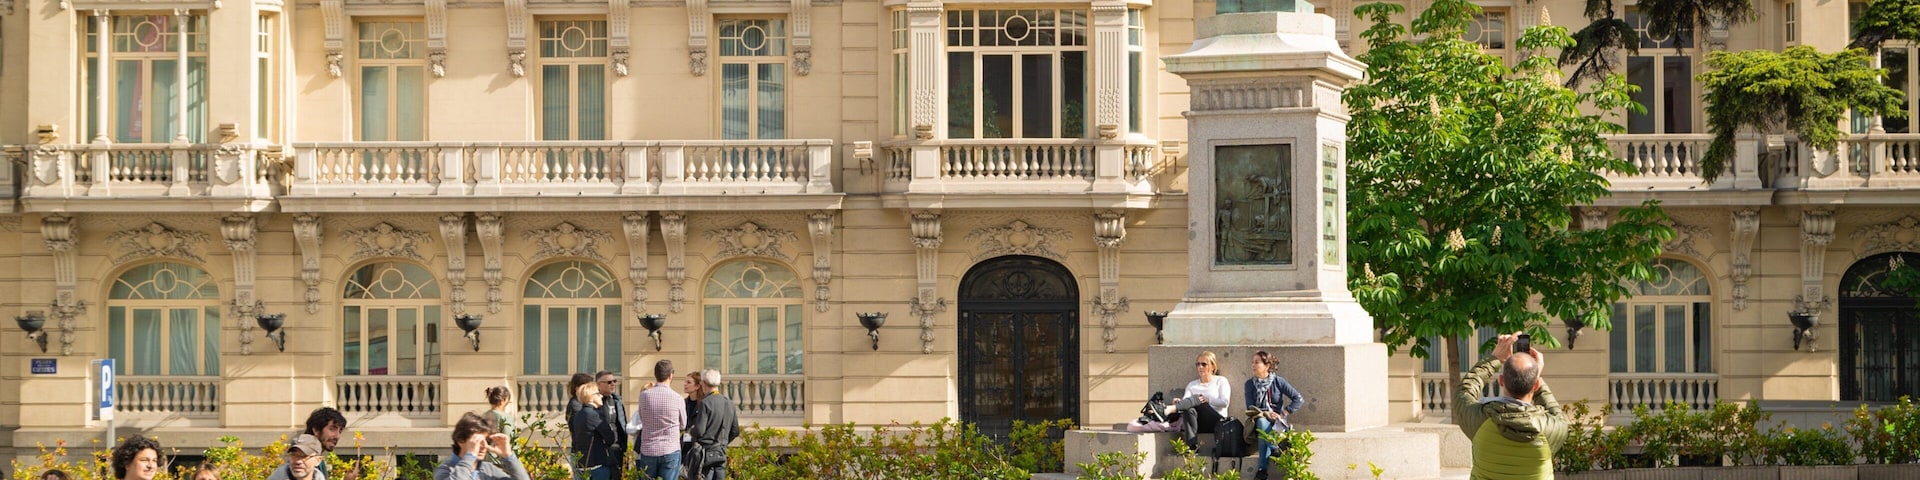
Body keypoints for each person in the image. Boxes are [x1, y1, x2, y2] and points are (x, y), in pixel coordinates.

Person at [1454, 333, 1568, 480]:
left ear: (1501, 381)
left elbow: (1463, 392)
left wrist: (1495, 358)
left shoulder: (1479, 420)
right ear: (1536, 385)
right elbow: (1556, 413)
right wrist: (1535, 375)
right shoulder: (1549, 429)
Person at [1244, 350, 1305, 480]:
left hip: (1277, 422)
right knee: (1261, 421)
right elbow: (1250, 407)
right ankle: (1275, 448)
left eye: (1257, 362)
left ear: (1267, 366)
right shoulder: (1249, 384)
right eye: (1252, 362)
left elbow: (1298, 399)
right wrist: (1266, 413)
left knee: (1263, 435)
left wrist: (1283, 413)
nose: (1253, 365)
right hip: (1259, 419)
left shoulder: (1278, 381)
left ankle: (1262, 470)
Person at [1163, 351, 1232, 452]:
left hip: (1217, 422)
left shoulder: (1221, 381)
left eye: (1204, 364)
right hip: (1198, 423)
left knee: (1199, 400)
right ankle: (1192, 447)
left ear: (1213, 366)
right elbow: (1186, 401)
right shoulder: (1192, 385)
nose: (1200, 367)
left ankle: (1169, 409)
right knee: (1189, 408)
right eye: (1198, 364)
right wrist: (1179, 402)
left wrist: (1209, 400)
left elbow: (1225, 402)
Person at [631, 360, 687, 480]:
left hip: (648, 448)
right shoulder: (678, 398)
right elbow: (683, 425)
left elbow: (642, 417)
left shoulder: (644, 396)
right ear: (671, 375)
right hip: (670, 448)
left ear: (655, 375)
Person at [435, 411, 533, 480]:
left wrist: (509, 457)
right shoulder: (445, 470)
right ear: (461, 440)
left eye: (487, 440)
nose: (484, 446)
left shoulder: (488, 469)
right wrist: (470, 455)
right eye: (478, 441)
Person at [687, 369, 740, 480]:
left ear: (703, 383)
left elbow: (700, 430)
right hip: (721, 452)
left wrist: (691, 431)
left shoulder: (705, 403)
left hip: (706, 455)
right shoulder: (729, 403)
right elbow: (735, 431)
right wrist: (723, 443)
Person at [570, 382, 621, 480]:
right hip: (597, 464)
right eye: (598, 393)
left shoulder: (578, 415)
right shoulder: (595, 414)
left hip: (582, 464)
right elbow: (611, 438)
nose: (601, 396)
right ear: (591, 397)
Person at [299, 406, 355, 480]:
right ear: (316, 430)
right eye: (332, 429)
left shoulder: (318, 460)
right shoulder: (303, 460)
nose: (337, 436)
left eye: (340, 431)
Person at [679, 371, 705, 478]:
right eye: (685, 382)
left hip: (696, 447)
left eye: (689, 382)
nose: (685, 384)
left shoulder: (703, 404)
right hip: (683, 446)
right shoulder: (683, 402)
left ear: (697, 386)